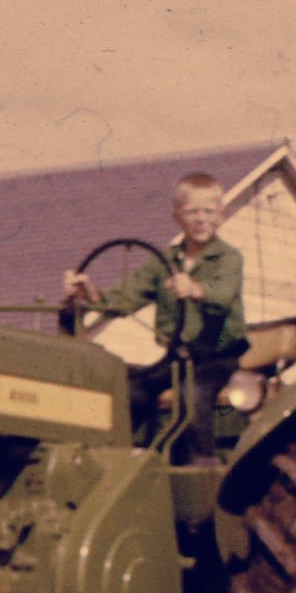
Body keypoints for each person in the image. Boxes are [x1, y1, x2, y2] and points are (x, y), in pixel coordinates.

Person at [62, 172, 246, 465]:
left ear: (221, 216)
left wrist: (195, 289)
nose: (201, 219)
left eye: (209, 211)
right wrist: (91, 293)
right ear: (177, 217)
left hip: (217, 357)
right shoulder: (164, 262)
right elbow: (126, 298)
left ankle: (203, 465)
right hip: (178, 356)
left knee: (192, 394)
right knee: (132, 390)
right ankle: (121, 458)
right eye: (192, 211)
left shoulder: (228, 259)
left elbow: (223, 295)